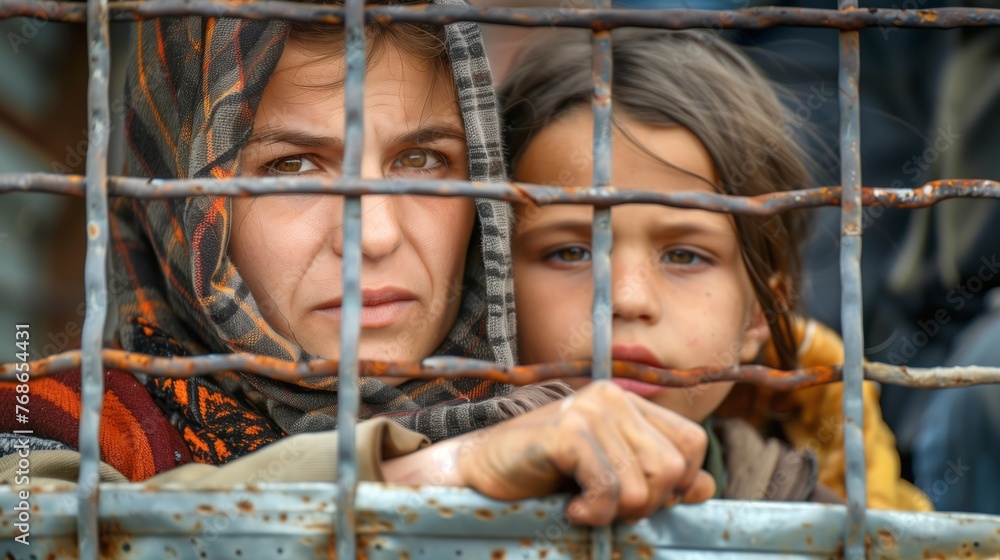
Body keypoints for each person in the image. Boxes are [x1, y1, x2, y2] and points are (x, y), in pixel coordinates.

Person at [0, 0, 718, 526]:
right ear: (179, 204)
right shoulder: (57, 421)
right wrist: (436, 474)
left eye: (422, 160)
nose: (375, 236)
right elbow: (32, 532)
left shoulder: (586, 427)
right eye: (290, 167)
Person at [499, 29, 929, 508]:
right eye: (569, 253)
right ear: (493, 286)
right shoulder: (435, 465)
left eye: (684, 256)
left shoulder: (808, 515)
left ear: (760, 314)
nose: (628, 298)